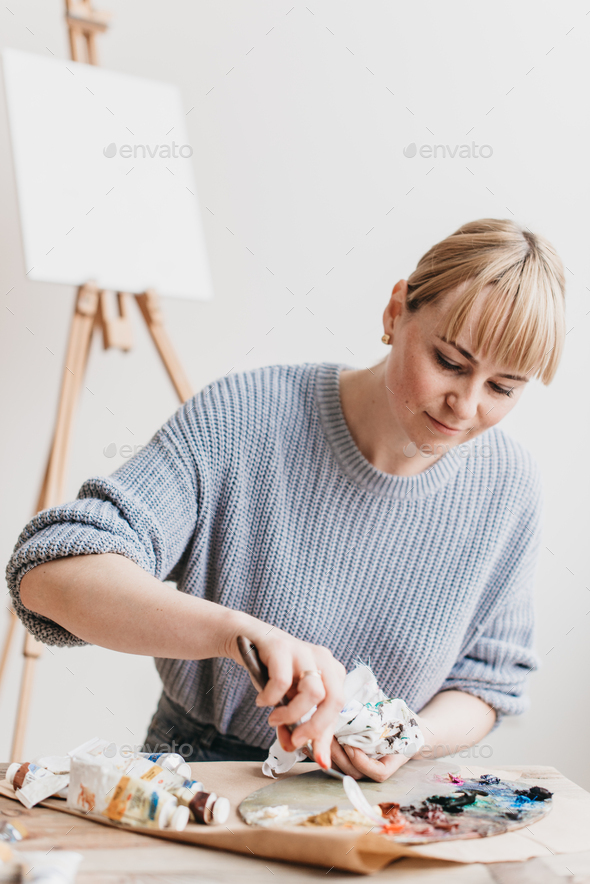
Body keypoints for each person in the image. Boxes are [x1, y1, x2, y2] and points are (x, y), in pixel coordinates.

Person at [7, 218, 566, 783]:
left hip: (380, 797)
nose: (466, 406)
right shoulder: (247, 415)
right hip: (203, 776)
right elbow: (49, 572)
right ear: (396, 311)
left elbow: (487, 683)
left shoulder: (508, 487)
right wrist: (239, 635)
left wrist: (413, 737)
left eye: (502, 388)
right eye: (449, 362)